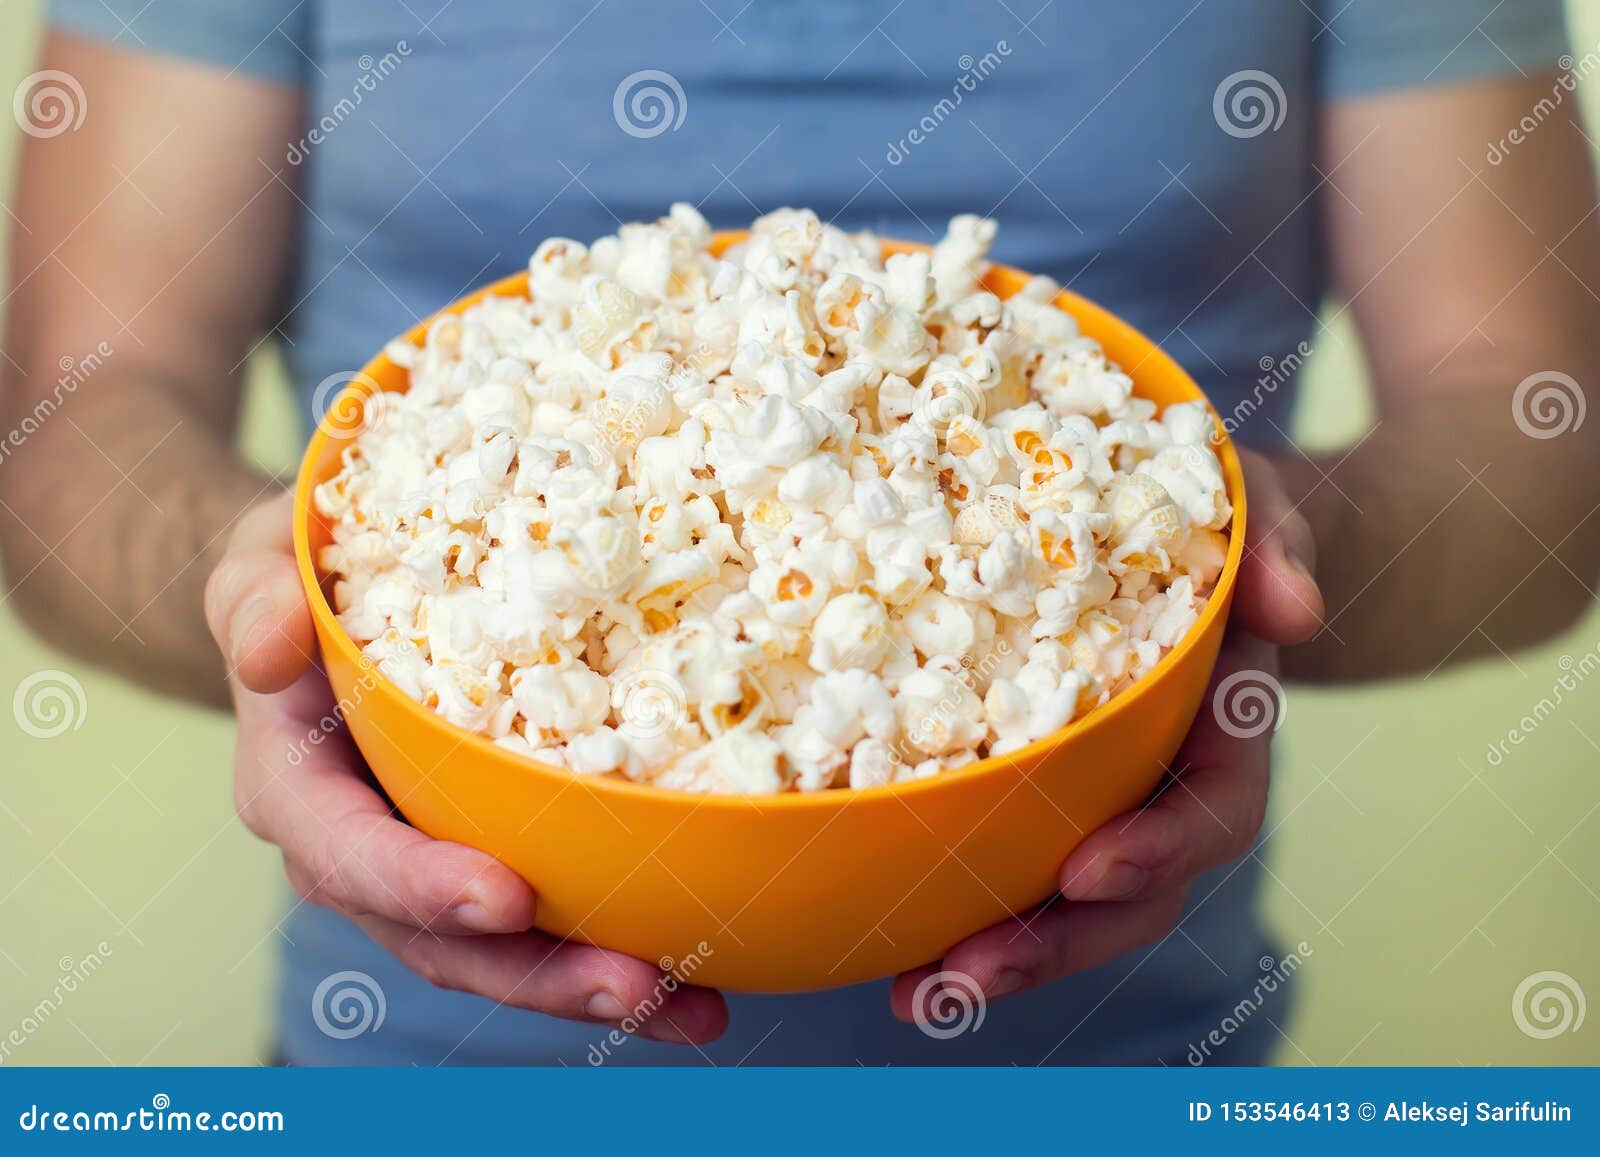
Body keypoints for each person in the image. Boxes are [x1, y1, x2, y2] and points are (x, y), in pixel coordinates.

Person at [3, 0, 1595, 1066]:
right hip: (423, 1084)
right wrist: (251, 587)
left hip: (1128, 1073)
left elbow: (1537, 424)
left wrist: (1269, 556)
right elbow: (75, 411)